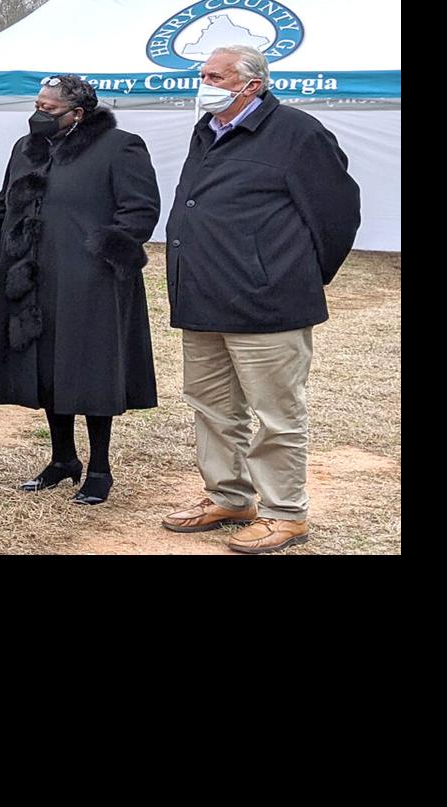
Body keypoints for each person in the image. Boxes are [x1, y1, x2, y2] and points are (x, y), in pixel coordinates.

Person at [160, 46, 362, 554]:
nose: (202, 82)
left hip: (267, 304)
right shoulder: (208, 129)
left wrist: (288, 274)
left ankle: (285, 513)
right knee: (212, 407)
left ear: (251, 85)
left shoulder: (298, 132)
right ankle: (229, 496)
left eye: (214, 75)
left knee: (277, 415)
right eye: (202, 73)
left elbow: (337, 215)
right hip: (203, 297)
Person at [0, 74, 160, 506]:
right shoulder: (26, 148)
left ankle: (99, 469)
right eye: (37, 105)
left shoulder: (120, 146)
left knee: (90, 370)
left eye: (49, 109)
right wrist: (2, 239)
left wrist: (103, 253)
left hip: (90, 280)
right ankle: (63, 460)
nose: (39, 113)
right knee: (44, 367)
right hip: (32, 275)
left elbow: (140, 210)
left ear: (77, 114)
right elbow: (5, 201)